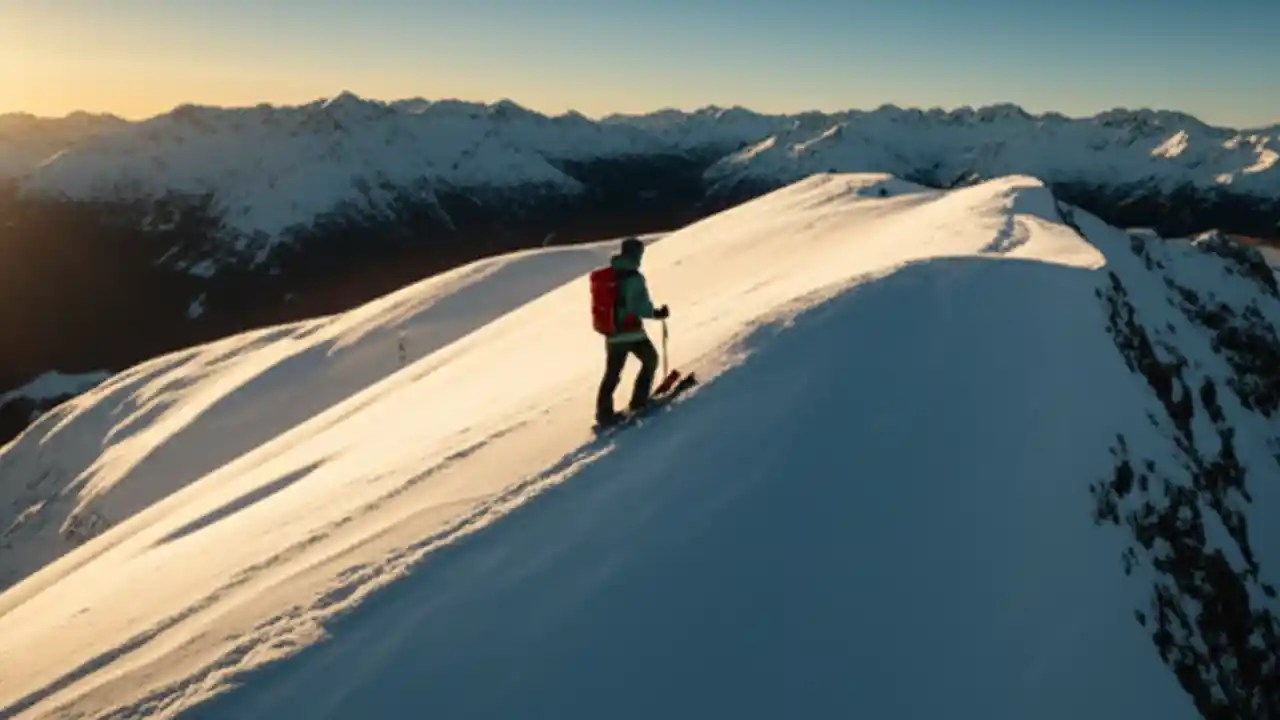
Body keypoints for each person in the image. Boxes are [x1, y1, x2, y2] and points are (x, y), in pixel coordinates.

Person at [596, 237, 669, 426]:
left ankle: (603, 413)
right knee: (650, 360)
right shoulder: (633, 277)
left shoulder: (612, 273)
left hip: (613, 333)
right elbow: (639, 306)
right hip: (631, 332)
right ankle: (639, 401)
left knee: (613, 372)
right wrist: (656, 313)